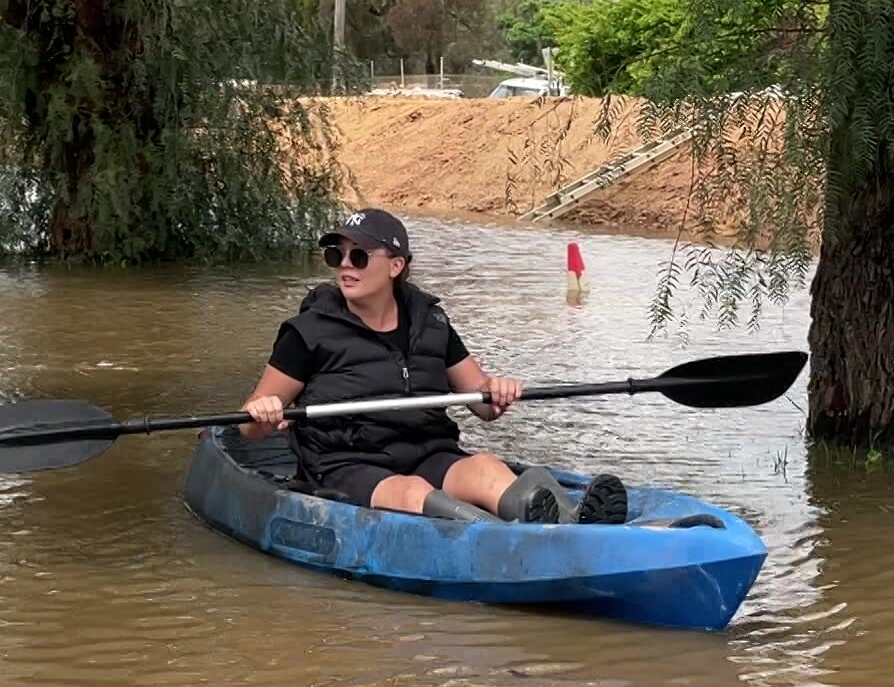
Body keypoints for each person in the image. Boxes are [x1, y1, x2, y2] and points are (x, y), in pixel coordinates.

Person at [239, 207, 628, 525]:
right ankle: (501, 535)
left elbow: (482, 402)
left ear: (395, 266)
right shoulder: (307, 333)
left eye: (358, 256)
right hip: (347, 463)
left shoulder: (432, 323)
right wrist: (264, 412)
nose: (344, 265)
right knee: (412, 493)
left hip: (427, 453)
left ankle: (573, 519)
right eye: (335, 255)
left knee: (484, 466)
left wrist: (498, 391)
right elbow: (248, 426)